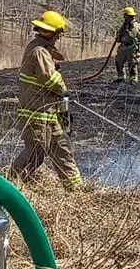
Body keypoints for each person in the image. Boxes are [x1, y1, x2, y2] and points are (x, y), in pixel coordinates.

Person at [10, 10, 86, 189]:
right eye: (57, 33)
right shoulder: (39, 52)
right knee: (36, 152)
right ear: (51, 33)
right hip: (37, 114)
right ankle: (10, 185)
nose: (58, 38)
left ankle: (75, 190)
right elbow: (51, 80)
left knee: (62, 149)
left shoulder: (42, 49)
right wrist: (63, 89)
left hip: (49, 114)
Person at [112, 6, 140, 84]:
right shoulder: (124, 25)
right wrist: (119, 36)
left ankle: (133, 79)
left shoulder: (135, 25)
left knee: (132, 63)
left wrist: (125, 31)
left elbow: (131, 36)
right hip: (123, 47)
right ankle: (121, 77)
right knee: (119, 61)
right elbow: (119, 36)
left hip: (131, 47)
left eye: (125, 15)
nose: (124, 16)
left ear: (128, 15)